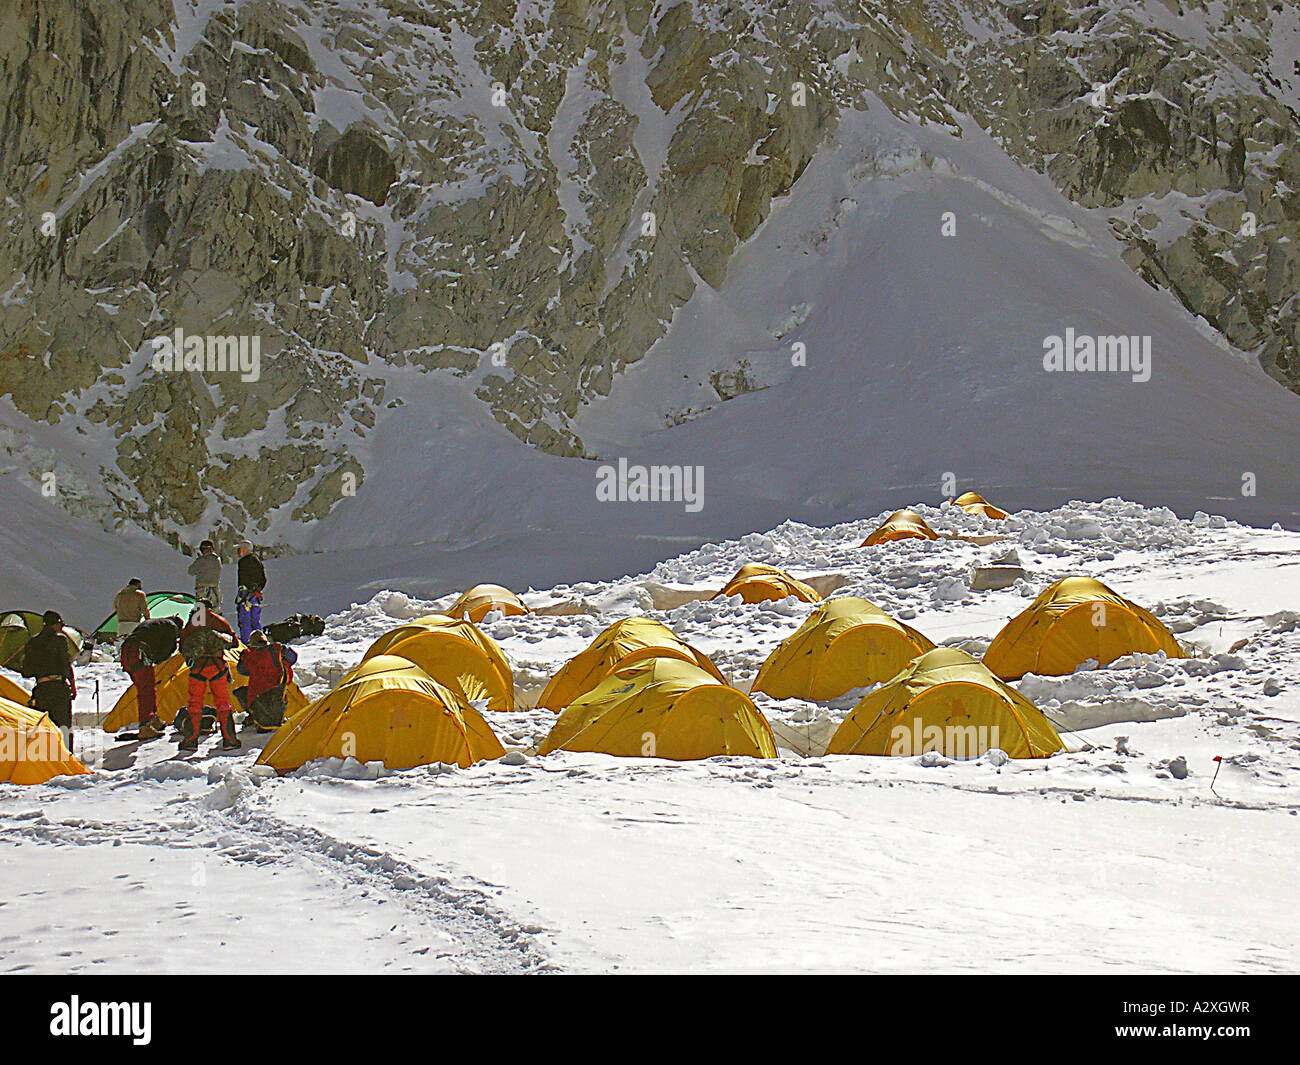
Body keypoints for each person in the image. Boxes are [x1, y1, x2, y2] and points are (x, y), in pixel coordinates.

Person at [179, 600, 238, 751]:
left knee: (195, 703)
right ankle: (229, 740)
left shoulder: (193, 622)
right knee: (223, 703)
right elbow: (234, 642)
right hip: (217, 667)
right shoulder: (219, 620)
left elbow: (182, 645)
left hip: (197, 668)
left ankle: (191, 740)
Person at [21, 611, 76, 752]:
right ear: (56, 624)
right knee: (64, 726)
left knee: (44, 728)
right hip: (59, 687)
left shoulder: (32, 642)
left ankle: (45, 760)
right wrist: (73, 686)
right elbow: (65, 665)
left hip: (41, 689)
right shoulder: (60, 640)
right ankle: (66, 758)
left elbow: (26, 671)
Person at [120, 616, 183, 740]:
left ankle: (153, 720)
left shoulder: (155, 623)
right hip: (139, 652)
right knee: (146, 691)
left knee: (143, 688)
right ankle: (145, 727)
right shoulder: (172, 627)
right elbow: (168, 649)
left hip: (126, 651)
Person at [236, 629, 297, 731]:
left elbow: (241, 671)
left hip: (256, 698)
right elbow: (293, 658)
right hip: (277, 697)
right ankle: (275, 717)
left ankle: (255, 716)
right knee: (280, 691)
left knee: (240, 692)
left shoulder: (247, 655)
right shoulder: (277, 650)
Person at [235, 541, 267, 644]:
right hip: (256, 595)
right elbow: (264, 579)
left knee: (245, 621)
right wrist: (257, 588)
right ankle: (260, 643)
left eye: (240, 549)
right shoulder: (257, 561)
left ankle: (247, 644)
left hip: (246, 595)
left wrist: (246, 590)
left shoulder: (244, 562)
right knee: (255, 621)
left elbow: (244, 578)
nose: (238, 552)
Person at [187, 540, 222, 609]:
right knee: (215, 612)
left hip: (202, 590)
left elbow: (191, 571)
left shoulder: (201, 560)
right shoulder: (217, 559)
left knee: (201, 613)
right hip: (215, 589)